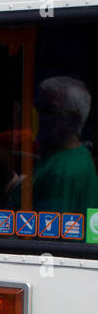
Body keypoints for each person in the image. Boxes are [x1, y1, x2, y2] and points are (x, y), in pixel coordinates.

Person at [30, 76, 98, 214]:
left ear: (73, 120)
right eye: (37, 107)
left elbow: (49, 232)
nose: (38, 115)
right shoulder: (77, 156)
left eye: (49, 110)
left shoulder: (63, 173)